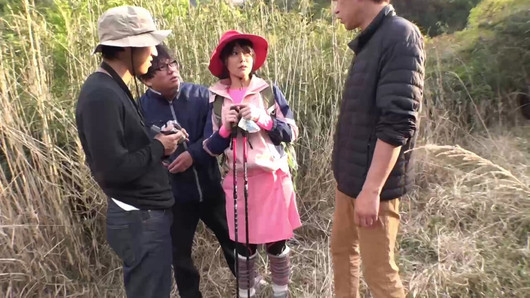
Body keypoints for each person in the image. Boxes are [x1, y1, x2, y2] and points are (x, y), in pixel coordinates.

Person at [75, 6, 185, 298]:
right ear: (127, 47)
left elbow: (125, 145)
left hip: (145, 218)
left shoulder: (114, 86)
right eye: (149, 43)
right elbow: (112, 169)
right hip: (139, 220)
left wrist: (156, 138)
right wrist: (160, 146)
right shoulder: (101, 95)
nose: (153, 52)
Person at [330, 0, 425, 297]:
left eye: (336, 0)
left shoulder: (400, 35)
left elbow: (397, 122)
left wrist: (371, 190)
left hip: (374, 189)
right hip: (349, 181)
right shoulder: (370, 41)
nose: (334, 9)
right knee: (343, 252)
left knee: (380, 275)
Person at [203, 30, 302, 298]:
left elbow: (292, 132)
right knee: (244, 248)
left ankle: (281, 292)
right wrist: (225, 129)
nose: (242, 58)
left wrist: (263, 118)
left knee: (276, 243)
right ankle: (247, 292)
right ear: (225, 61)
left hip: (272, 179)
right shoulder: (216, 100)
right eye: (234, 53)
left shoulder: (268, 92)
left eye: (246, 52)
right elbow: (209, 149)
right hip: (236, 183)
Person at [138, 43, 236, 298]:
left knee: (234, 242)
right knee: (179, 256)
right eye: (161, 68)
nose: (172, 71)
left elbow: (215, 132)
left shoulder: (202, 96)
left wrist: (193, 155)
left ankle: (249, 287)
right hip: (175, 196)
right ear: (147, 80)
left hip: (211, 188)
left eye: (173, 63)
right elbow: (141, 146)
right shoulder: (140, 110)